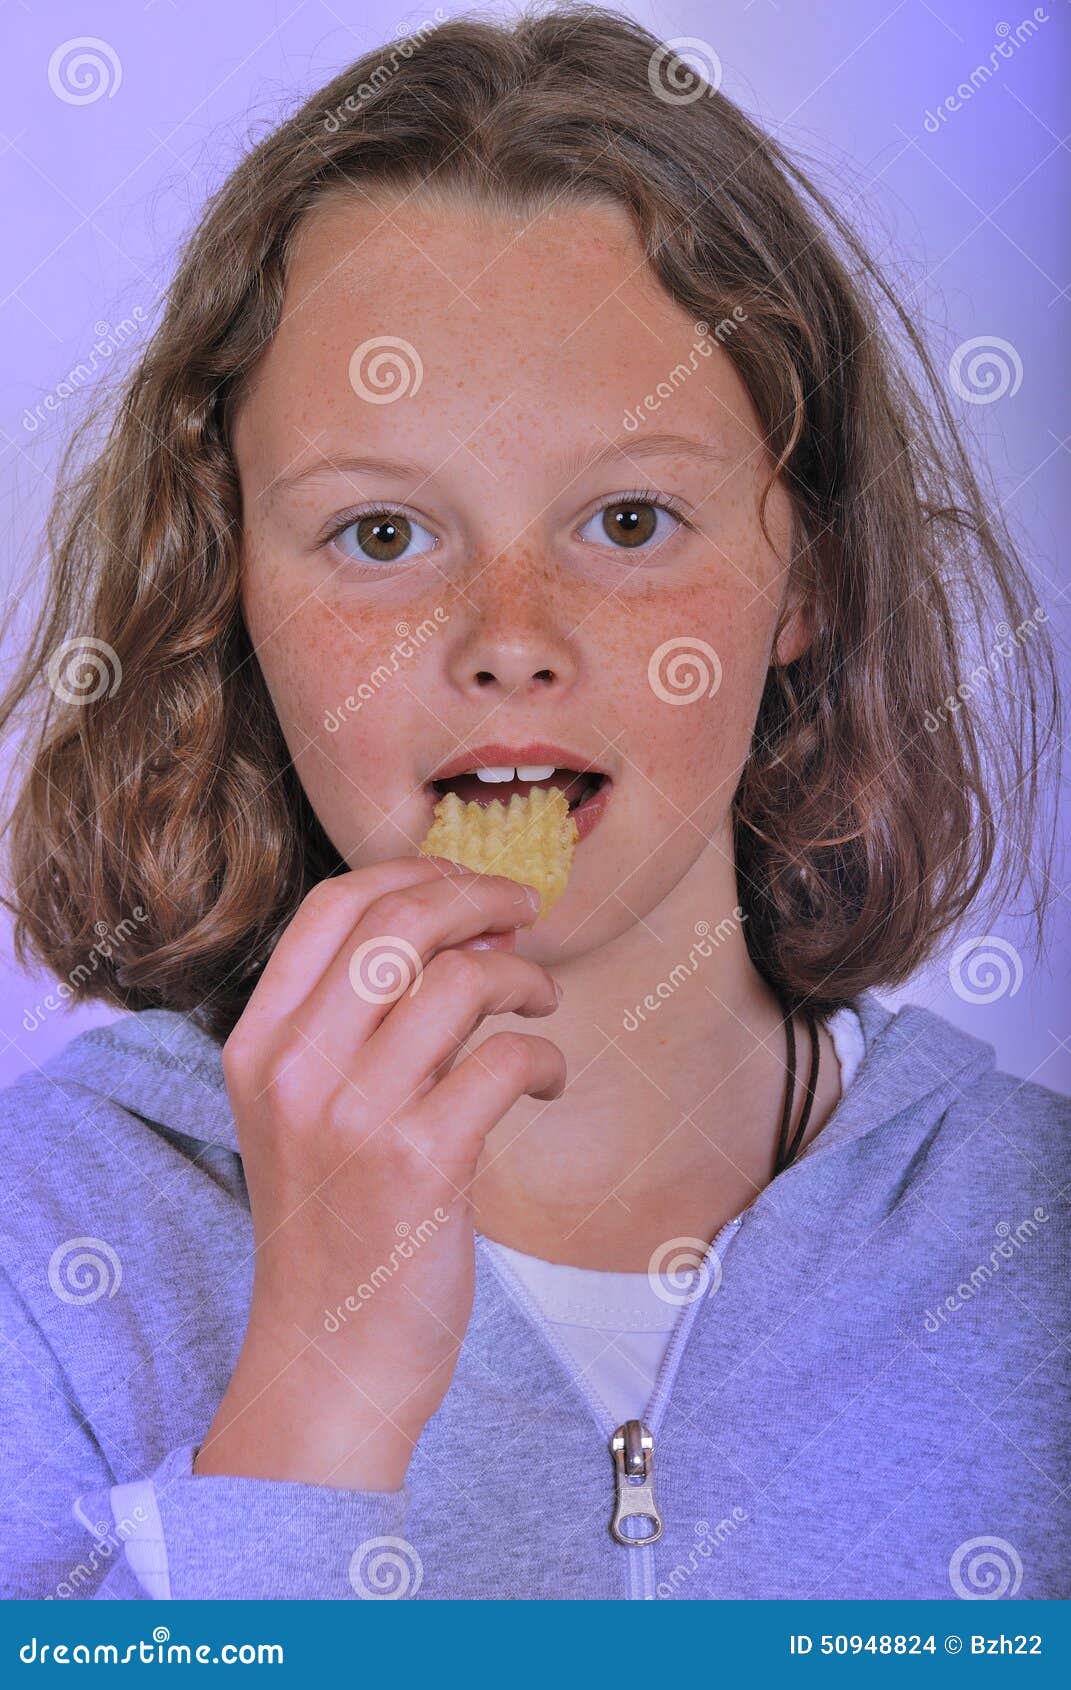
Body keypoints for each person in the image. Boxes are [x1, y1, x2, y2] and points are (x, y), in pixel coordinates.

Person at [0, 4, 1066, 1601]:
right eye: (378, 534)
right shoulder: (45, 1246)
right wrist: (317, 1389)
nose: (509, 639)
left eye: (629, 519)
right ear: (229, 586)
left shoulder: (1029, 1243)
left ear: (810, 580)